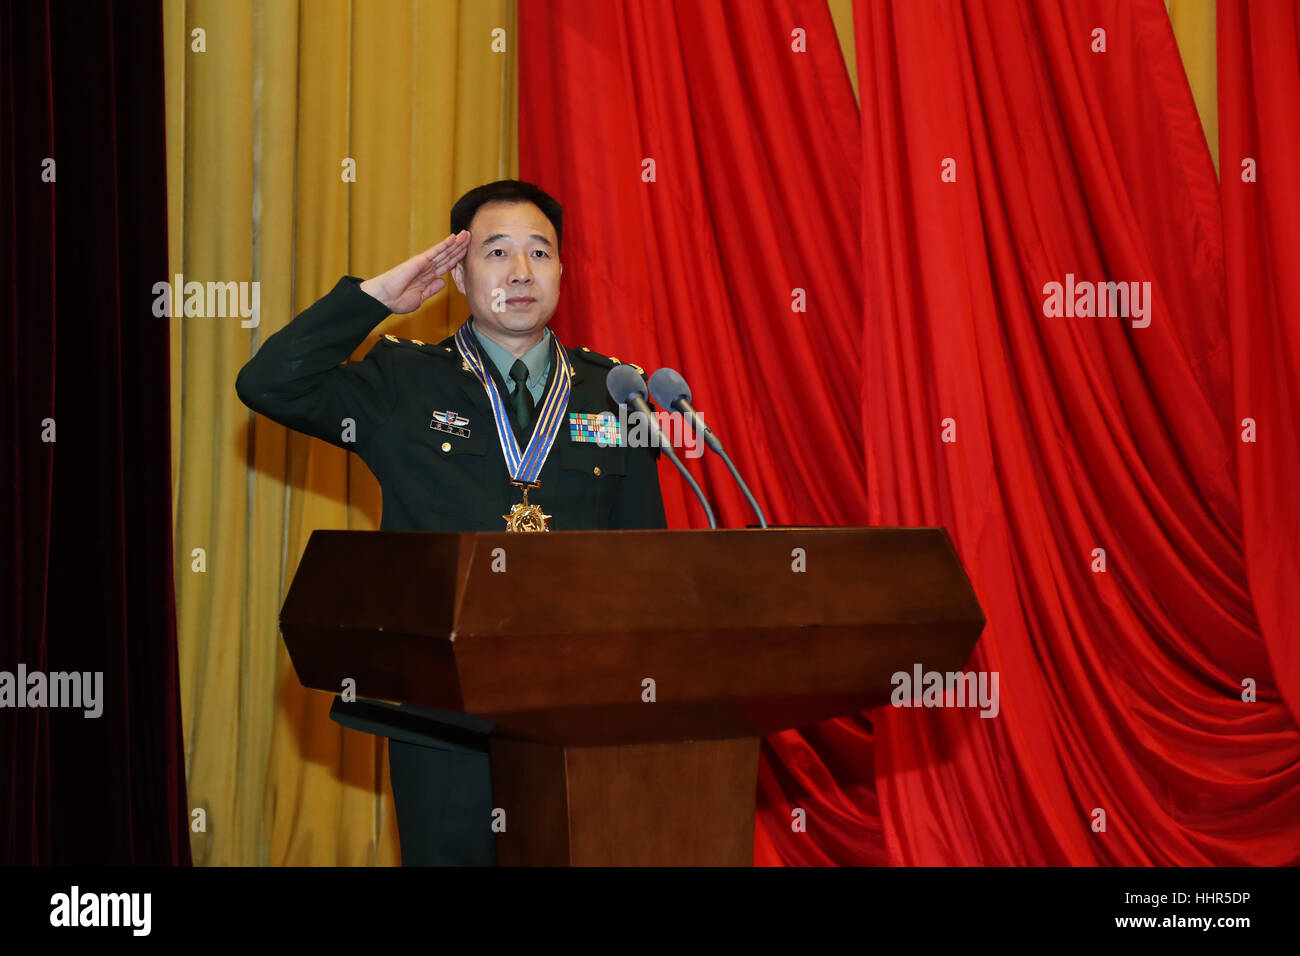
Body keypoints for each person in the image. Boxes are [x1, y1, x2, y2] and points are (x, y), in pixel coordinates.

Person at [235, 179, 667, 865]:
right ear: (460, 276)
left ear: (562, 270)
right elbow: (269, 383)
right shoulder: (405, 381)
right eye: (496, 252)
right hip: (442, 719)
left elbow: (648, 559)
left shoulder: (615, 393)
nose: (520, 272)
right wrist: (375, 300)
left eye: (540, 252)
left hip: (576, 714)